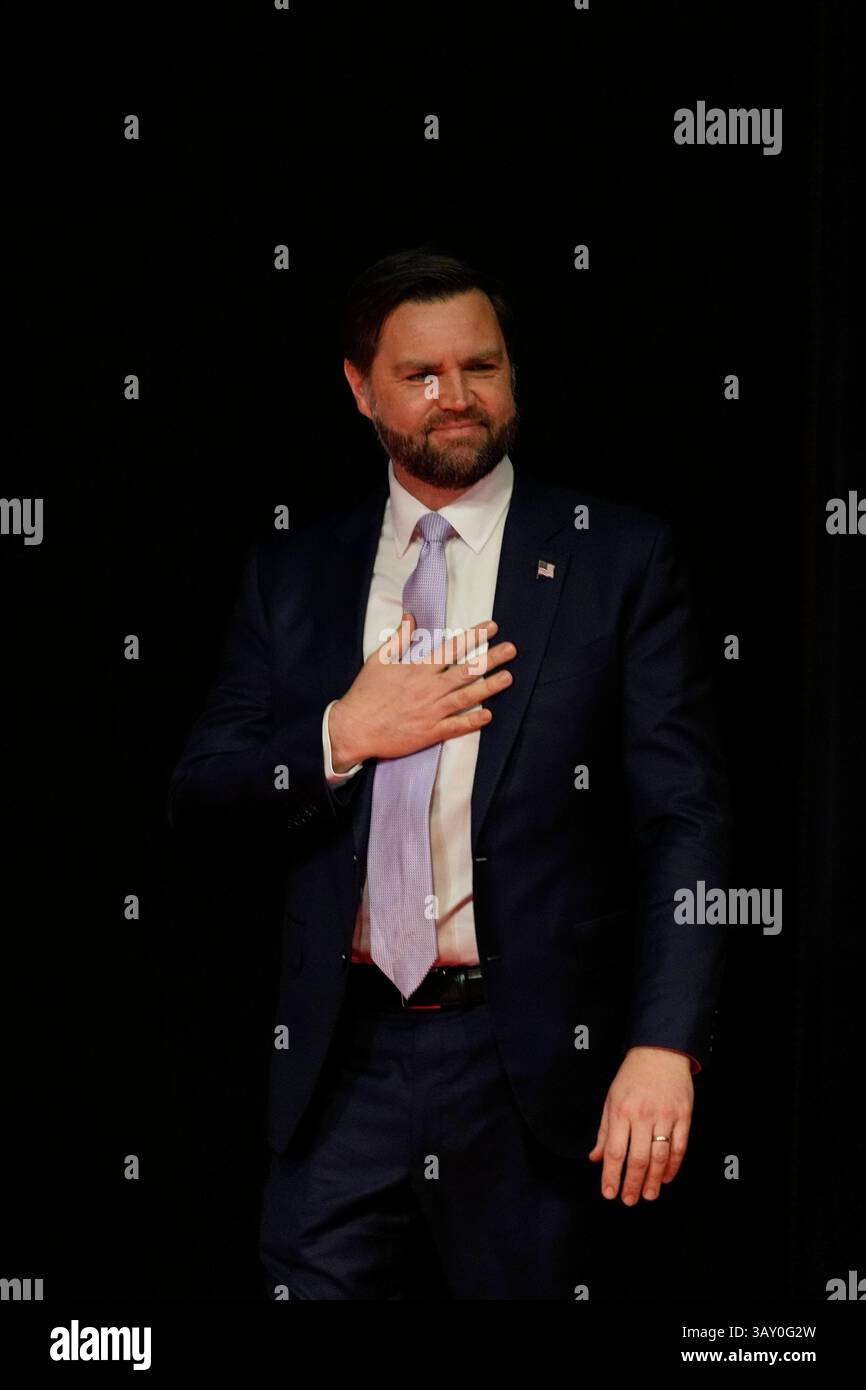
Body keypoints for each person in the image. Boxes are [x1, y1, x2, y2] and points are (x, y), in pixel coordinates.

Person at [166, 246, 731, 1300]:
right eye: (422, 375)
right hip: (340, 1066)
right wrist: (343, 730)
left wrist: (663, 1043)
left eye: (481, 366)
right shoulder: (291, 571)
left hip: (526, 1073)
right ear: (358, 387)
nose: (457, 397)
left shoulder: (618, 558)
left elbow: (681, 823)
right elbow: (201, 796)